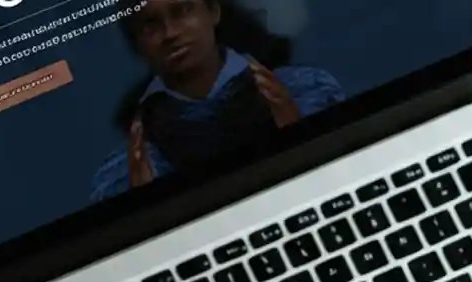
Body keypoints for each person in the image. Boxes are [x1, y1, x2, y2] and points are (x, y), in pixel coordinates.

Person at [92, 0, 345, 201]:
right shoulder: (124, 170)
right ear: (136, 43)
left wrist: (299, 138)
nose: (170, 33)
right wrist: (143, 208)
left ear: (213, 11)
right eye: (150, 25)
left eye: (183, 10)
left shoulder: (308, 90)